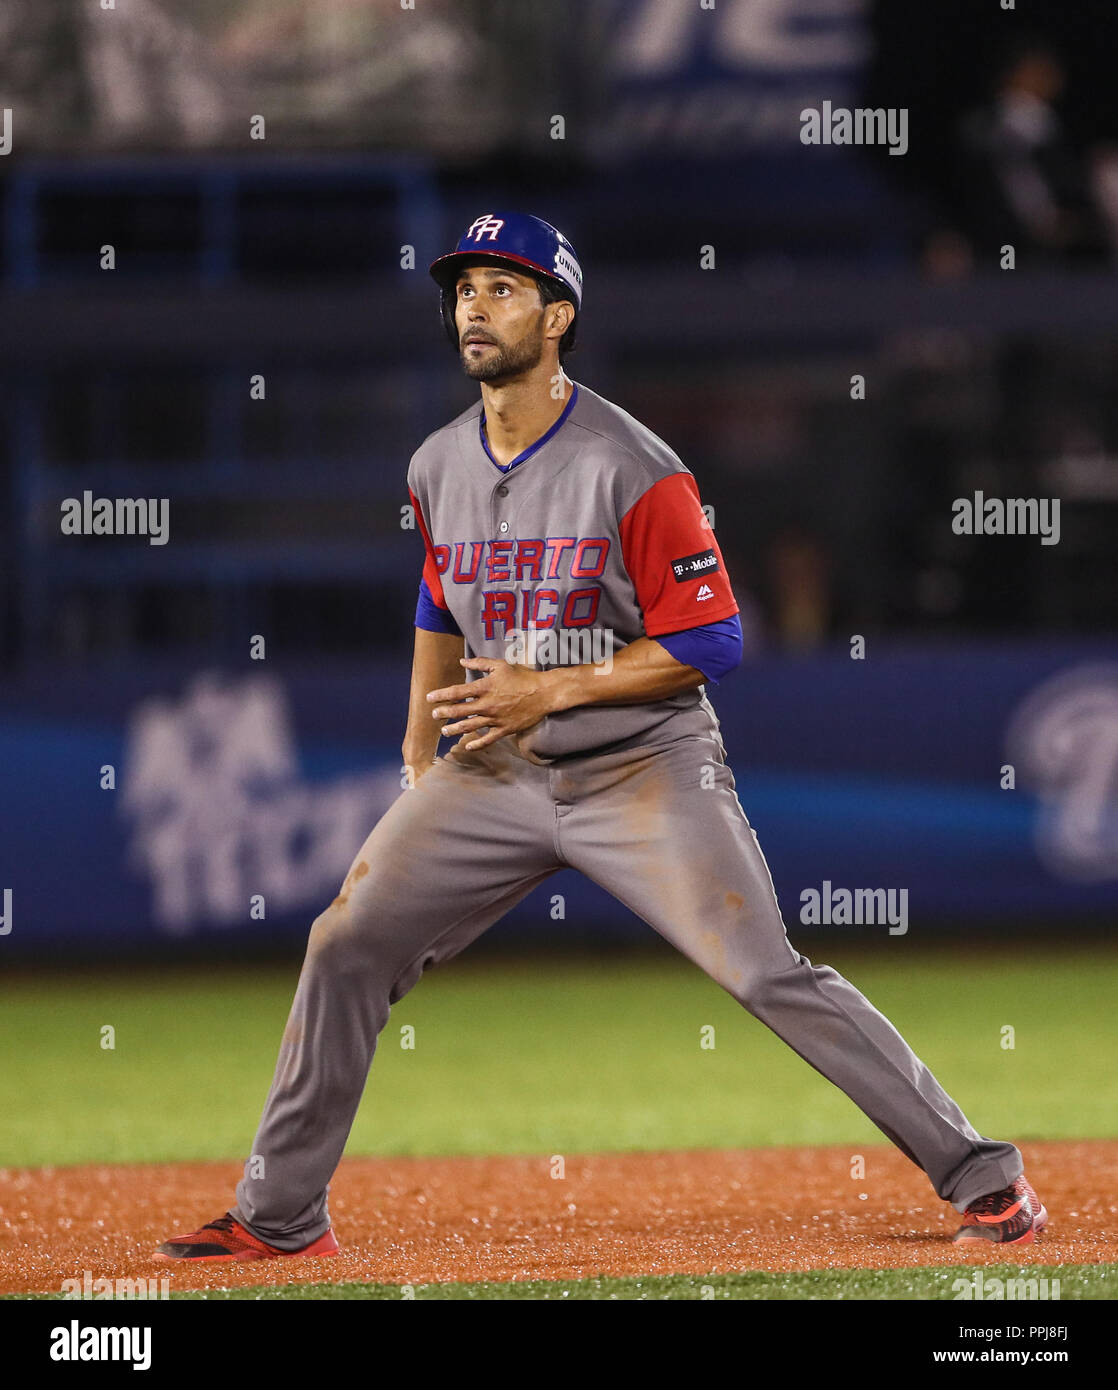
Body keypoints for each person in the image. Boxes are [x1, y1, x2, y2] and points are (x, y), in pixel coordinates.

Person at [156, 212, 1046, 1262]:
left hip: (642, 761)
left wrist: (549, 690)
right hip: (491, 770)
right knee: (343, 943)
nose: (474, 307)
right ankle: (282, 1215)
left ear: (558, 314)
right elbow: (438, 599)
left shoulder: (631, 463)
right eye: (464, 289)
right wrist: (416, 743)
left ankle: (986, 1178)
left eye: (503, 287)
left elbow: (713, 636)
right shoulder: (436, 461)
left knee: (762, 970)